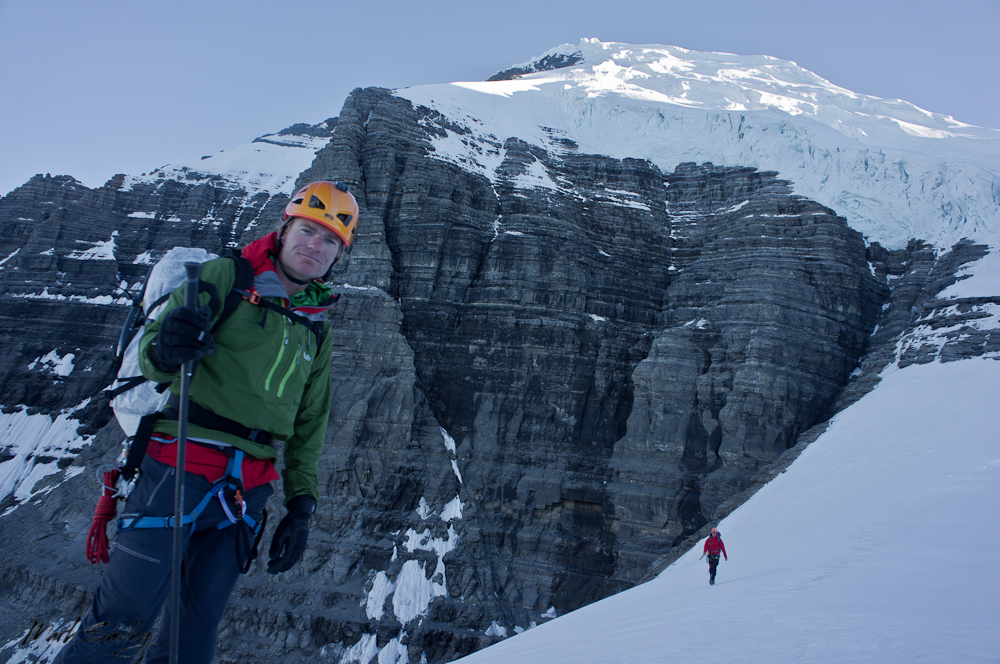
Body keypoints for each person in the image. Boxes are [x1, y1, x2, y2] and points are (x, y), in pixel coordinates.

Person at [54, 181, 359, 664]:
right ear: (284, 230)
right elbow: (154, 354)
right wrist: (166, 347)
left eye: (330, 242)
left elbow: (310, 422)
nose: (315, 246)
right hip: (177, 466)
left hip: (247, 492)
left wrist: (302, 505)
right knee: (120, 621)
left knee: (192, 636)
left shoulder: (317, 326)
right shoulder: (226, 276)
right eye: (308, 230)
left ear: (338, 257)